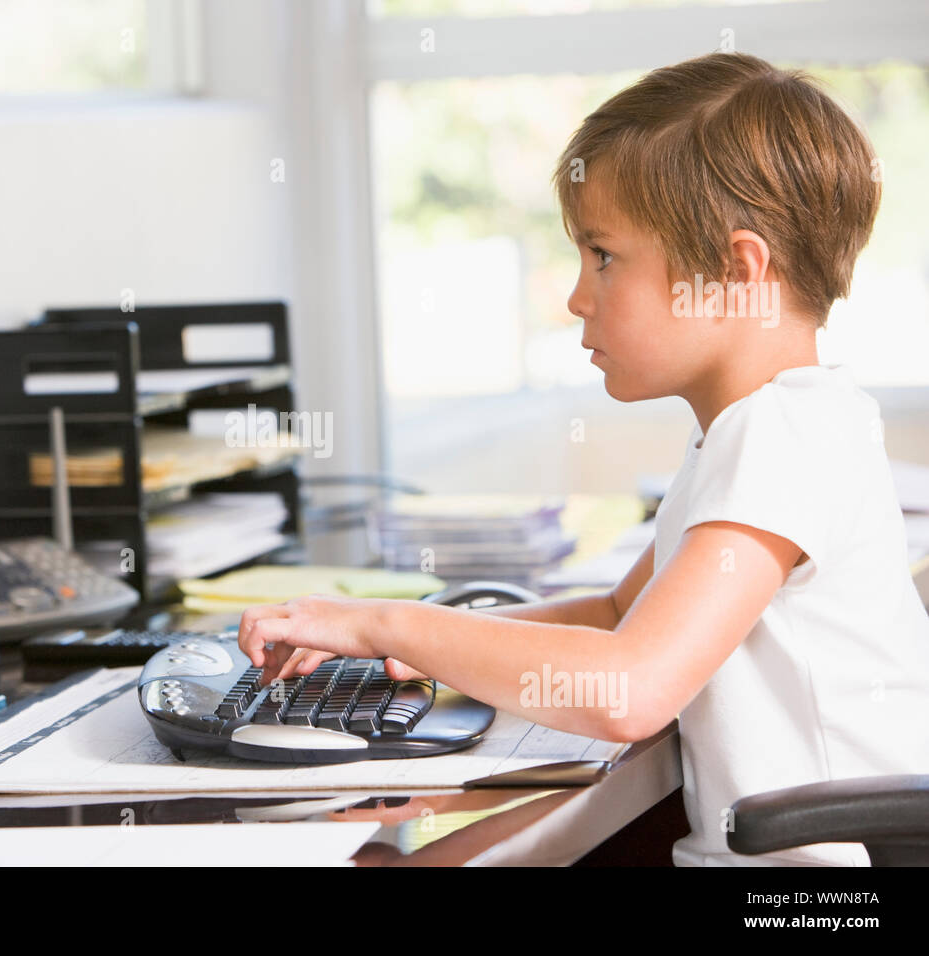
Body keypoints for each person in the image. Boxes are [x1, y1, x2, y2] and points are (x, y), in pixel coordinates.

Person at [237, 51, 929, 866]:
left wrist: (388, 620)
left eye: (603, 256)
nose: (575, 297)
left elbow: (628, 689)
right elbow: (612, 619)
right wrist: (409, 645)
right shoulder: (771, 428)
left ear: (735, 273)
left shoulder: (780, 439)